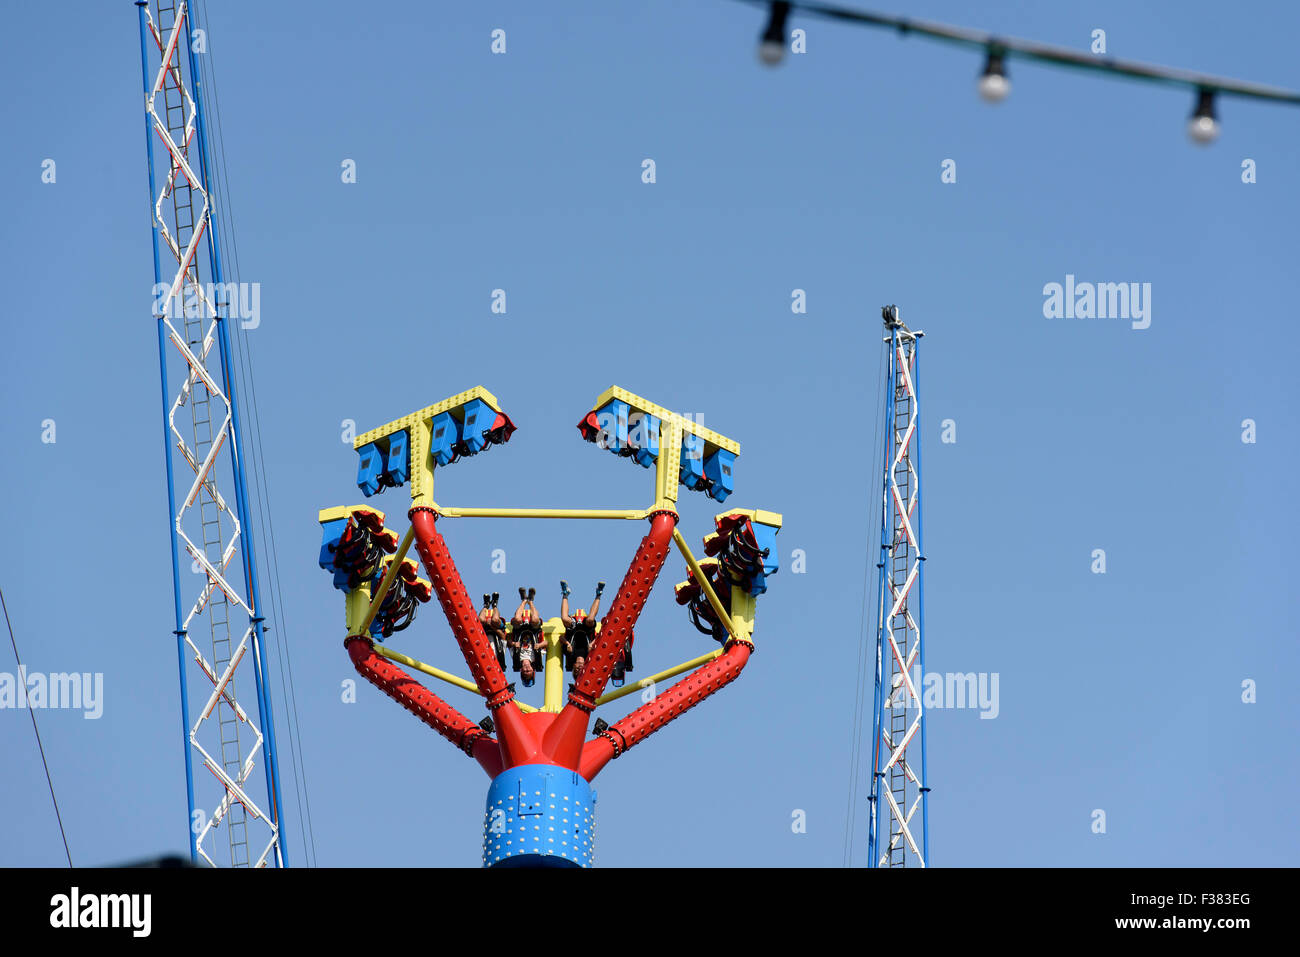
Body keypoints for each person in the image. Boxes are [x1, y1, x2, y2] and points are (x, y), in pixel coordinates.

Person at [560, 579, 604, 679]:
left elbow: (560, 638)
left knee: (564, 619)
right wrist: (593, 644)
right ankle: (598, 594)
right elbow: (600, 638)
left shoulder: (570, 655)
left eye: (576, 669)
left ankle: (565, 594)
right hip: (587, 630)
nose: (579, 667)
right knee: (590, 619)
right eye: (581, 669)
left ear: (573, 666)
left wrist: (567, 644)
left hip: (574, 629)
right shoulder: (590, 655)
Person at [509, 586, 547, 686]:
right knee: (534, 619)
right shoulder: (536, 658)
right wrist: (539, 645)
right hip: (534, 631)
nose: (526, 669)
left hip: (519, 631)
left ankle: (523, 600)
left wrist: (514, 643)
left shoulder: (515, 657)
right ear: (532, 670)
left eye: (525, 671)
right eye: (529, 671)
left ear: (521, 670)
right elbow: (547, 643)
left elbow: (507, 643)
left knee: (517, 619)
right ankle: (530, 601)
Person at [479, 592, 507, 667]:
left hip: (485, 630)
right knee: (494, 620)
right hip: (496, 628)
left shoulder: (482, 653)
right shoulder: (500, 654)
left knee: (480, 620)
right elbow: (503, 637)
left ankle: (486, 606)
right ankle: (494, 605)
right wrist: (492, 626)